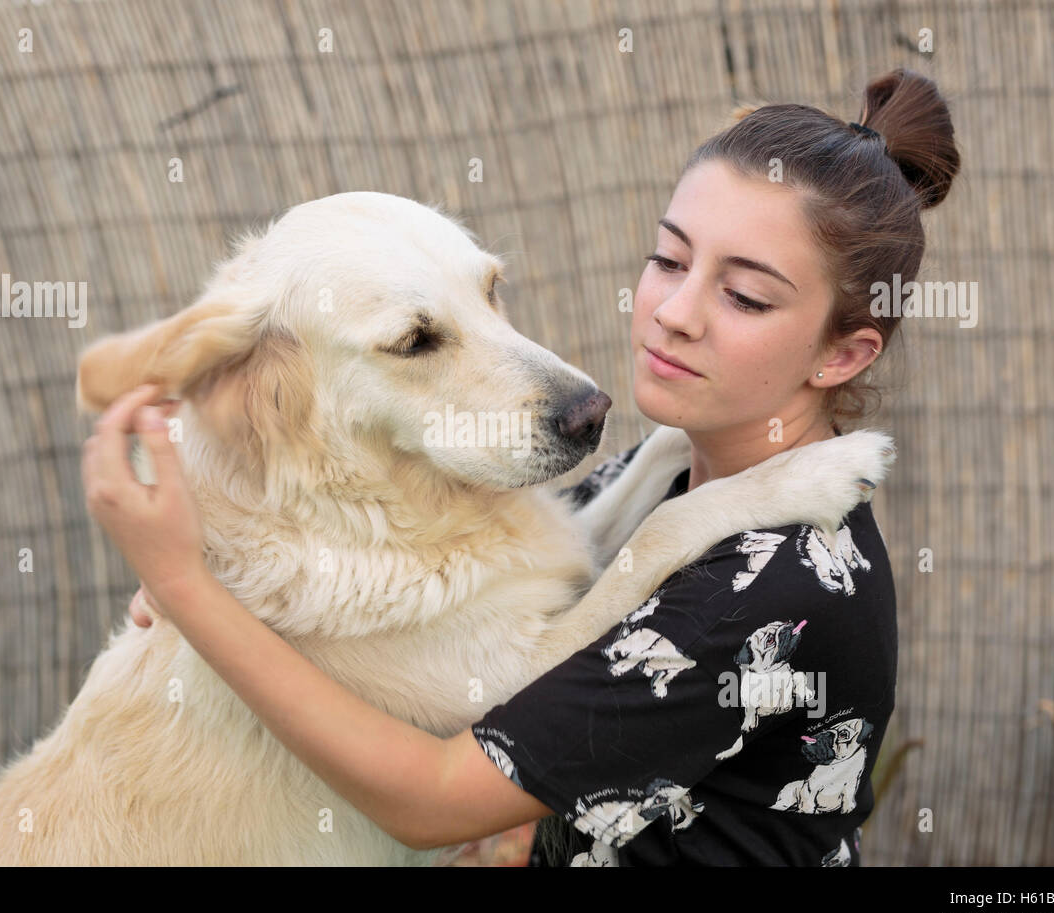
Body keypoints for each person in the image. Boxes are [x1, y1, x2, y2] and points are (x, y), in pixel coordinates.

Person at [84, 67, 960, 866]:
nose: (675, 312)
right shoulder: (659, 474)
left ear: (841, 355)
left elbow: (432, 801)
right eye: (668, 258)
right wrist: (217, 567)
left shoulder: (782, 578)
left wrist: (187, 583)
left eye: (744, 295)